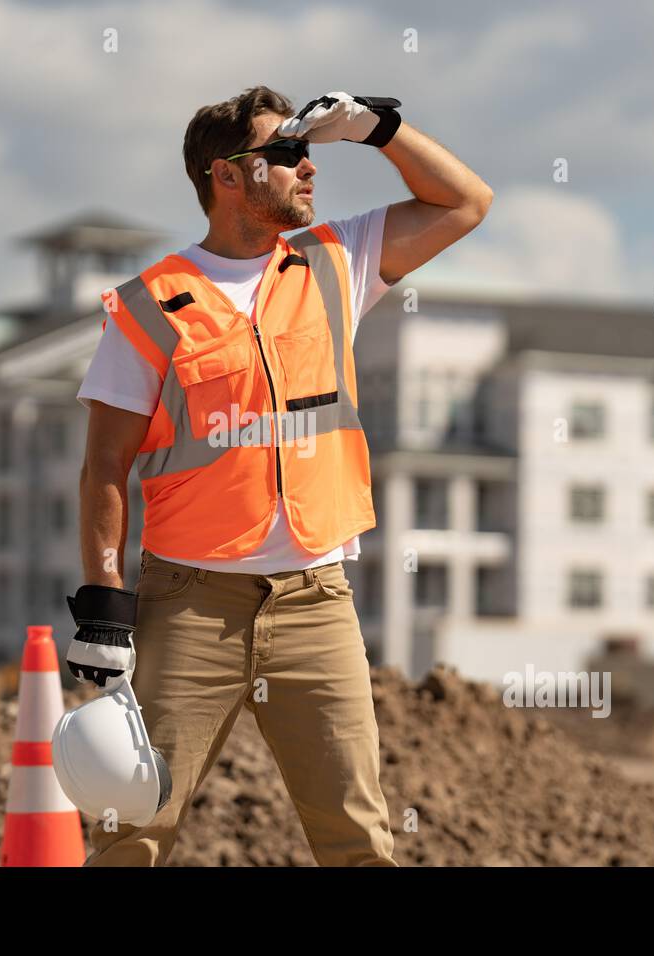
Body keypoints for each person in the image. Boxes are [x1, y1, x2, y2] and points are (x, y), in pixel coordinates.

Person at [71, 87, 493, 866]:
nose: (308, 169)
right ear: (226, 176)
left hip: (316, 600)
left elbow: (467, 202)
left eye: (311, 154)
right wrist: (102, 605)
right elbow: (104, 466)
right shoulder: (150, 305)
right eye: (288, 155)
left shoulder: (335, 262)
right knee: (133, 831)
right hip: (191, 604)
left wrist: (377, 129)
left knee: (360, 840)